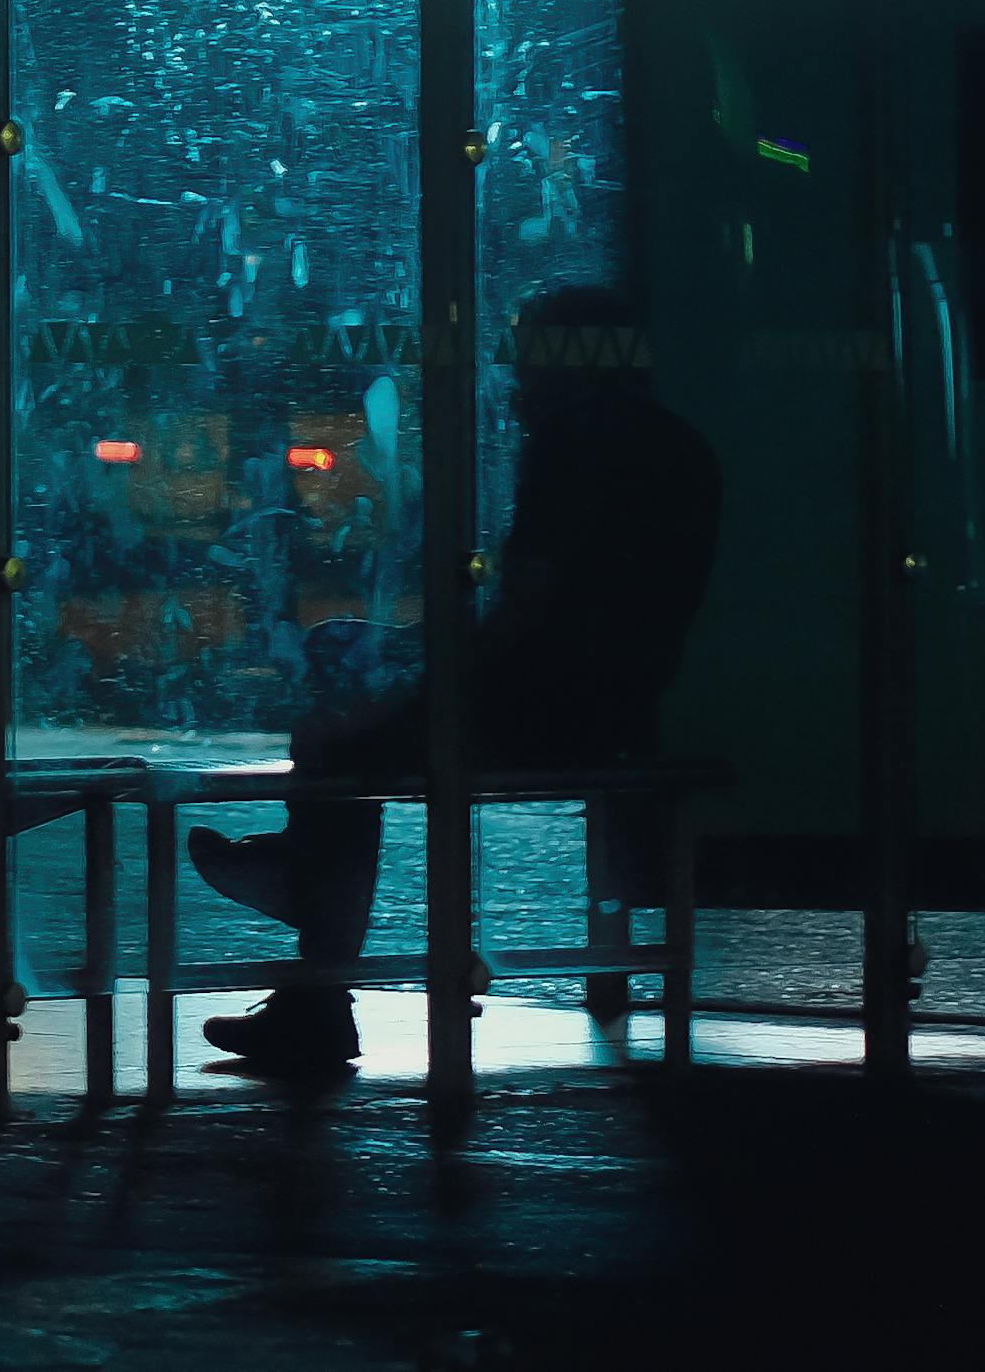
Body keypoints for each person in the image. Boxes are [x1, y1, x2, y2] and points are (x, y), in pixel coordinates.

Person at [196, 282, 722, 1080]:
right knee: (343, 657)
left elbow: (522, 617)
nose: (514, 372)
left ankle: (313, 949)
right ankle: (302, 891)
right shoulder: (679, 445)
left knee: (340, 721)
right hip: (617, 705)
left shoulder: (572, 442)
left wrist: (413, 675)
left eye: (527, 351)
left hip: (541, 705)